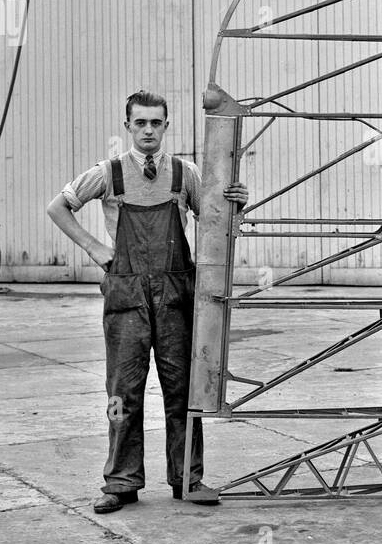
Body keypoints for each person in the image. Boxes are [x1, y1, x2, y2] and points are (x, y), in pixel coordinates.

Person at [47, 91, 247, 512]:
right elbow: (58, 207)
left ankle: (187, 481)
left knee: (183, 392)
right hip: (126, 298)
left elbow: (215, 223)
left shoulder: (185, 173)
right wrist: (92, 248)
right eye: (141, 123)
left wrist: (236, 206)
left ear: (166, 126)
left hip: (175, 297)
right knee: (123, 393)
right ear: (128, 127)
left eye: (156, 123)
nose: (149, 131)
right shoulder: (109, 172)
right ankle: (121, 483)